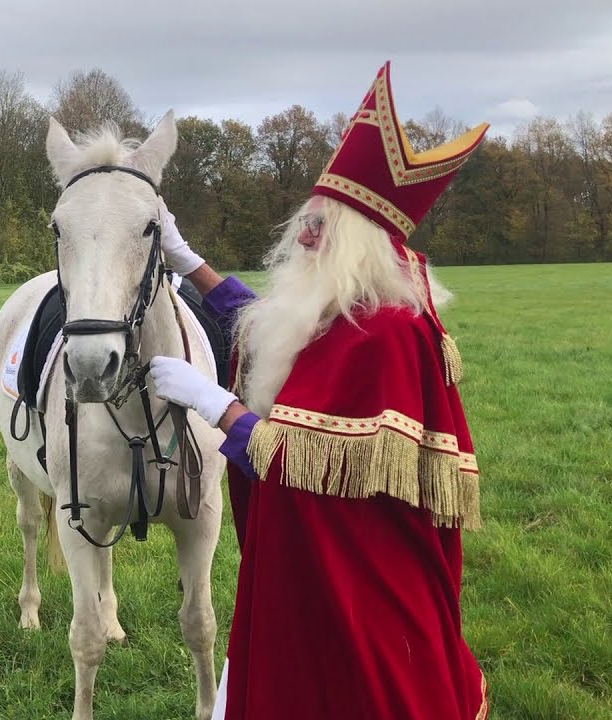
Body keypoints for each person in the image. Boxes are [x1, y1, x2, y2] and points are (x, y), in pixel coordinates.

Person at [146, 62, 491, 719]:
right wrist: (190, 261)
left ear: (359, 245)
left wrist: (215, 403)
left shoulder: (384, 332)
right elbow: (273, 329)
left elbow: (302, 462)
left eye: (320, 225)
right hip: (311, 567)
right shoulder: (345, 308)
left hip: (355, 579)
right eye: (306, 219)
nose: (301, 235)